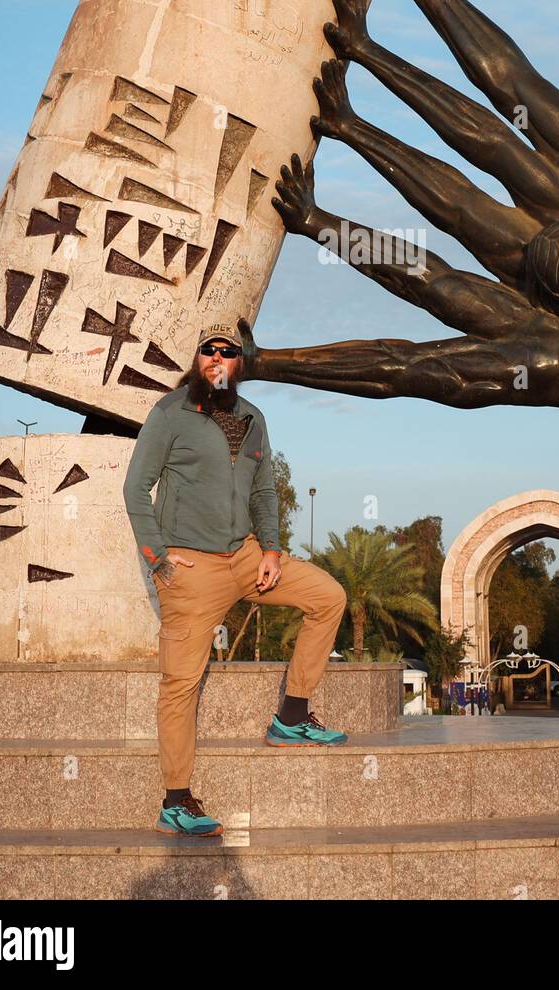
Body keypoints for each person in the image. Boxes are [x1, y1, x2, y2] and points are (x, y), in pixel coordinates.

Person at [123, 323, 348, 837]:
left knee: (328, 596)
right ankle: (175, 801)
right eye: (209, 350)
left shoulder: (253, 419)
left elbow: (265, 492)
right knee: (179, 684)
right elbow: (136, 488)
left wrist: (270, 549)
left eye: (228, 352)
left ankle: (291, 717)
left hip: (246, 557)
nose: (218, 358)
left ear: (240, 363)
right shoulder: (170, 412)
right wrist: (159, 558)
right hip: (191, 569)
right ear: (198, 357)